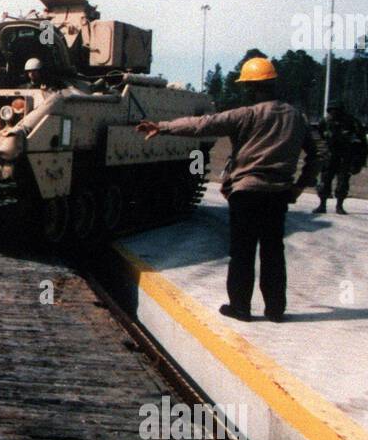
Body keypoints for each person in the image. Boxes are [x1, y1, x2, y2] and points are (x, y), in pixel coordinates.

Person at [136, 56, 319, 323]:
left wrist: (163, 127)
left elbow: (203, 125)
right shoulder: (296, 117)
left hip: (246, 192)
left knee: (242, 251)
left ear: (250, 88)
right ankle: (276, 309)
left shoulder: (245, 115)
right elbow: (317, 155)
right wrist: (299, 186)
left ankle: (241, 308)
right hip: (278, 193)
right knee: (273, 251)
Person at [315, 102, 368, 215]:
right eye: (331, 111)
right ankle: (322, 204)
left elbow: (363, 143)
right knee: (325, 181)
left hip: (346, 157)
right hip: (329, 156)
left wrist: (360, 161)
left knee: (343, 182)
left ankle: (339, 205)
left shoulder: (352, 122)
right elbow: (318, 140)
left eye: (336, 110)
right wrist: (318, 156)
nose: (334, 113)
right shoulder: (325, 122)